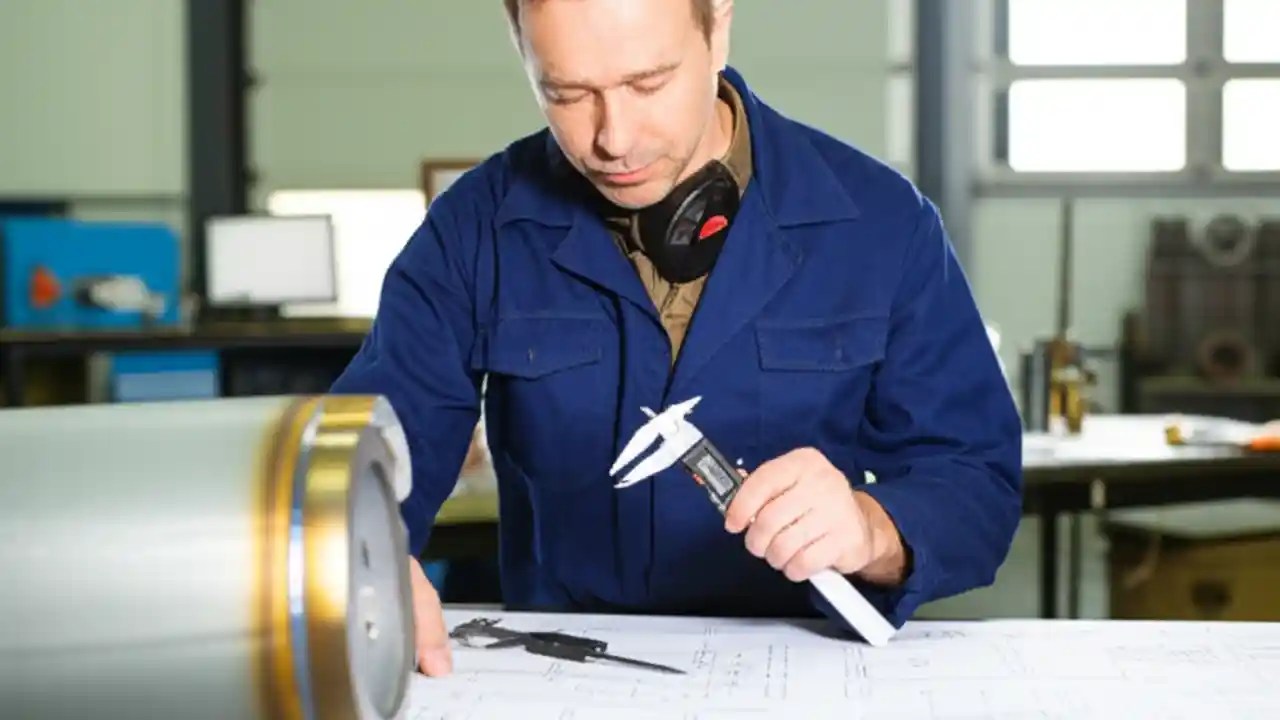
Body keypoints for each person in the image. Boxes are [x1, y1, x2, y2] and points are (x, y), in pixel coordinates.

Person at [330, 0, 1023, 676]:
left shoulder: (880, 224)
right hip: (560, 675)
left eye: (647, 83)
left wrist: (875, 529)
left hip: (801, 672)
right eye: (567, 94)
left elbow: (975, 480)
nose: (614, 138)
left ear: (717, 25)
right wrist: (363, 559)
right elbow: (367, 451)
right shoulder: (473, 230)